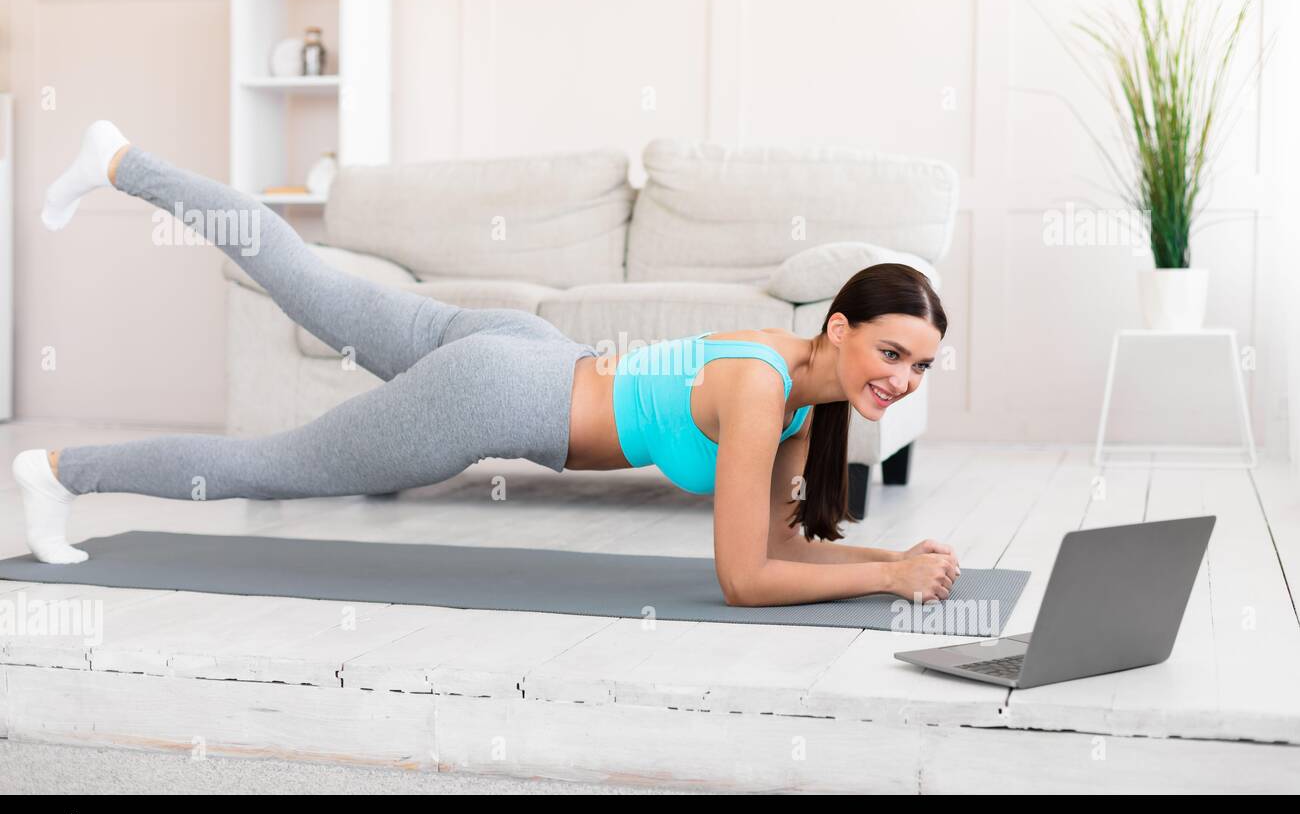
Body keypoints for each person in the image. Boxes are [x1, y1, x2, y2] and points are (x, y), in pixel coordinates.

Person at [15, 120, 960, 607]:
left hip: (523, 352)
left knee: (300, 275)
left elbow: (784, 546)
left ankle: (121, 161)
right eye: (892, 351)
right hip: (500, 394)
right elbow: (742, 579)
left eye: (921, 367)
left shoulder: (801, 394)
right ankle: (57, 473)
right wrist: (884, 580)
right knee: (278, 467)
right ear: (838, 327)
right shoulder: (763, 392)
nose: (903, 379)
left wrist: (895, 560)